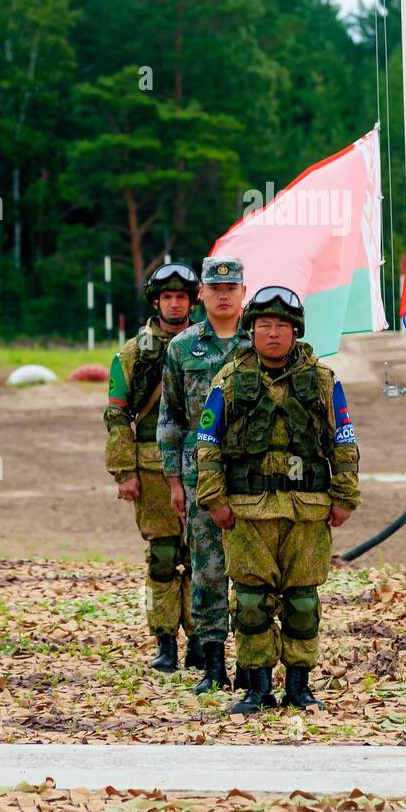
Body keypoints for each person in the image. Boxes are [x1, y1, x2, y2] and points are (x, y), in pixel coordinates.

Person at [195, 286, 360, 713]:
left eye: (282, 326)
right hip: (248, 512)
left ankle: (299, 687)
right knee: (251, 603)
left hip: (306, 510)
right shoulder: (229, 381)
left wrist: (344, 496)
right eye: (264, 325)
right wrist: (214, 499)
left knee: (302, 602)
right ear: (251, 331)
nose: (273, 334)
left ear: (295, 330)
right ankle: (258, 688)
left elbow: (343, 441)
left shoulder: (322, 381)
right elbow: (207, 443)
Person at [157, 256, 251, 694]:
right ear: (203, 296)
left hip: (254, 474)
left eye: (231, 288)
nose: (223, 295)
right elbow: (171, 418)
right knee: (208, 569)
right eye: (216, 289)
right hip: (201, 477)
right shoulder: (182, 348)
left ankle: (254, 661)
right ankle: (213, 663)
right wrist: (175, 481)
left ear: (243, 293)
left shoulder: (262, 342)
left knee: (254, 570)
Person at [104, 263, 202, 674]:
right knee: (163, 556)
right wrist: (123, 470)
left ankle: (202, 640)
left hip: (201, 466)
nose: (175, 304)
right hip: (150, 469)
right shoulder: (132, 353)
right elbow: (116, 416)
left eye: (182, 297)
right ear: (156, 302)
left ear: (192, 301)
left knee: (202, 557)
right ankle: (165, 642)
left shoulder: (208, 346)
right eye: (168, 298)